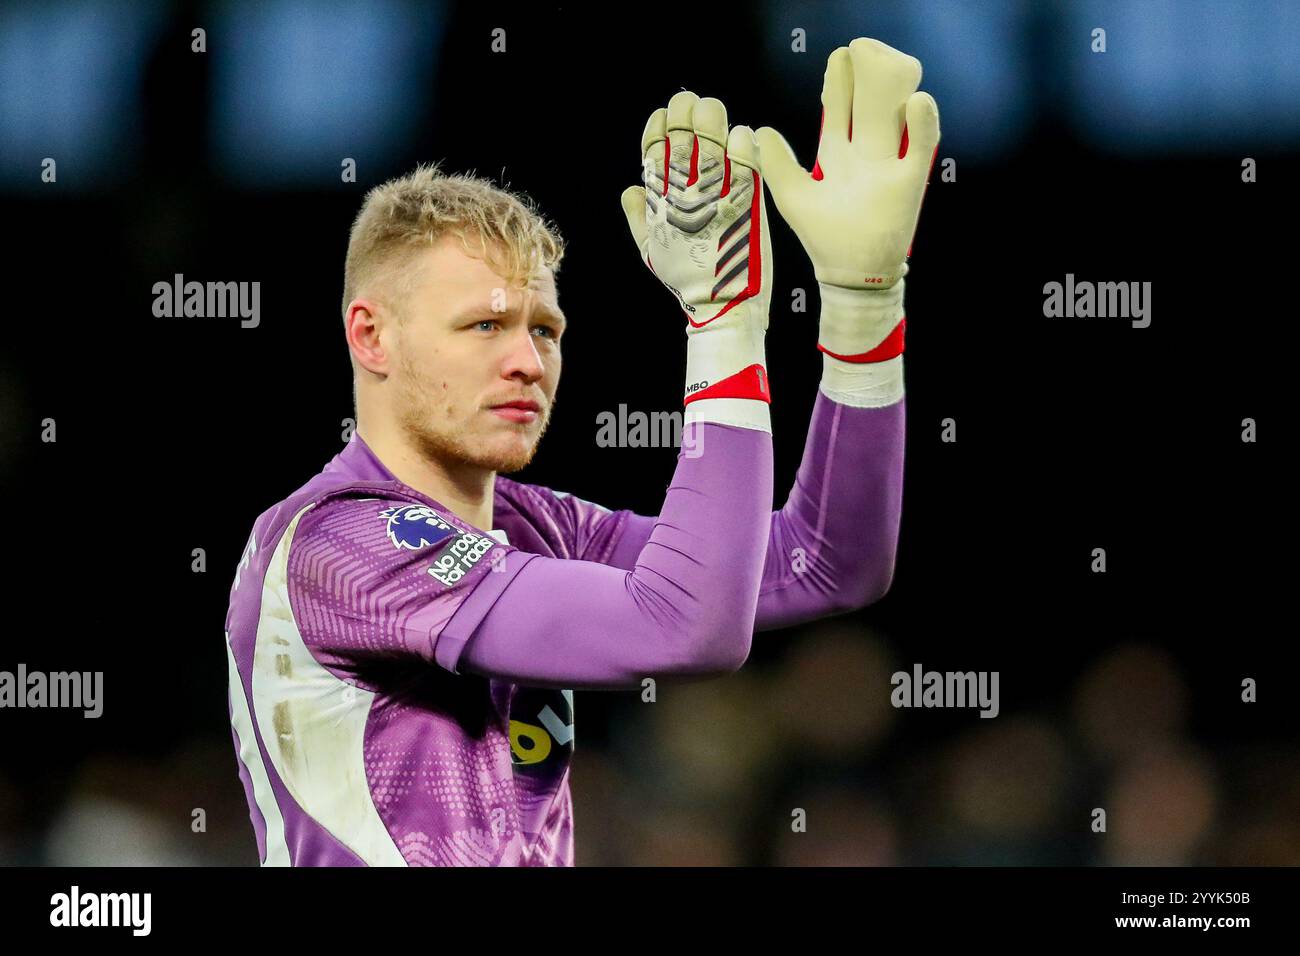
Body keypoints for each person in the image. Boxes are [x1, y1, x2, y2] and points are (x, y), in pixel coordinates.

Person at [224, 37, 938, 866]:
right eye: (484, 325)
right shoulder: (330, 545)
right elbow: (687, 630)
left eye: (546, 330)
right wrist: (722, 328)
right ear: (371, 335)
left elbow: (824, 563)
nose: (527, 359)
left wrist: (862, 314)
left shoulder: (539, 526)